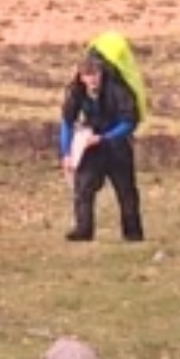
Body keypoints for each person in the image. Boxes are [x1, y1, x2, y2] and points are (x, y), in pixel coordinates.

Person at [59, 55, 143, 242]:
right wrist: (66, 153)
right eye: (88, 75)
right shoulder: (75, 92)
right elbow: (66, 122)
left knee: (126, 190)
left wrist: (105, 138)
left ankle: (133, 233)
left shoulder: (117, 90)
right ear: (81, 77)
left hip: (117, 144)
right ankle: (83, 230)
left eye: (95, 74)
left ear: (101, 73)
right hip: (91, 144)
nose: (92, 79)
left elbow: (129, 122)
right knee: (83, 187)